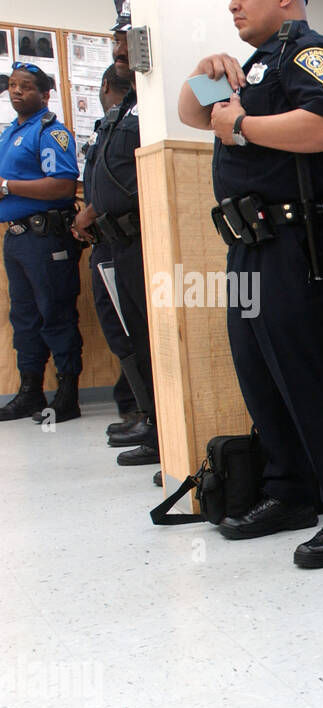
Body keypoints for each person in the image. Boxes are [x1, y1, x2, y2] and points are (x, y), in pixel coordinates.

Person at [178, 0, 323, 568]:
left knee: (312, 379)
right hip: (248, 243)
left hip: (298, 243)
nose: (233, 4)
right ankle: (292, 492)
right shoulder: (250, 66)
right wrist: (203, 71)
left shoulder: (309, 54)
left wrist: (240, 124)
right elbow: (195, 115)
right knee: (260, 376)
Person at [72, 2, 161, 467]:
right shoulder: (125, 106)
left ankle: (163, 426)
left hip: (143, 240)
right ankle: (152, 419)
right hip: (112, 240)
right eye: (115, 38)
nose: (118, 46)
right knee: (128, 335)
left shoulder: (158, 100)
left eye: (126, 36)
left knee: (150, 335)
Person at [0, 64, 82, 424]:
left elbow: (63, 185)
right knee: (24, 318)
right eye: (13, 86)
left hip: (45, 237)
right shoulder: (9, 133)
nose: (17, 91)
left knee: (56, 313)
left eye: (27, 87)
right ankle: (31, 391)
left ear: (45, 94)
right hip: (16, 239)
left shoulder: (51, 132)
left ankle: (67, 395)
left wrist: (7, 187)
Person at [80, 62, 140, 429]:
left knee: (133, 331)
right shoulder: (111, 123)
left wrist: (88, 211)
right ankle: (141, 411)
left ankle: (143, 412)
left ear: (104, 86)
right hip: (106, 238)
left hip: (127, 236)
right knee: (120, 327)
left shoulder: (131, 118)